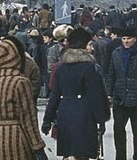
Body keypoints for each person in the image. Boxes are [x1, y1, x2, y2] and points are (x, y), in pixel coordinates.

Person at [42, 27, 109, 160]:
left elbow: (54, 96)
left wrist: (47, 120)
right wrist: (102, 118)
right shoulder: (90, 69)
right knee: (82, 154)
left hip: (64, 116)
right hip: (84, 117)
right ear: (82, 47)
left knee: (70, 154)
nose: (92, 48)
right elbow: (96, 96)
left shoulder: (61, 69)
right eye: (90, 45)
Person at [0, 38, 46, 160]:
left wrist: (1, 119)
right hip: (17, 137)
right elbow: (28, 118)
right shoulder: (20, 82)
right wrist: (38, 146)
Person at [105, 27, 137, 160]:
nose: (126, 41)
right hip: (120, 98)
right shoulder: (116, 53)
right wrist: (108, 93)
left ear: (135, 39)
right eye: (124, 39)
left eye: (129, 38)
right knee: (118, 130)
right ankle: (120, 157)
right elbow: (111, 74)